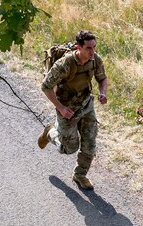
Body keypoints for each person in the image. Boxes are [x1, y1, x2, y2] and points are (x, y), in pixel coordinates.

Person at [38, 29, 108, 190]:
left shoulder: (95, 60)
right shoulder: (65, 64)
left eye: (94, 47)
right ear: (79, 47)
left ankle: (80, 175)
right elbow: (46, 86)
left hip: (86, 106)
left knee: (90, 143)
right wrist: (61, 108)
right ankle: (50, 133)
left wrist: (103, 92)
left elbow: (102, 78)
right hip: (67, 110)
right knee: (69, 148)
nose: (92, 51)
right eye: (88, 48)